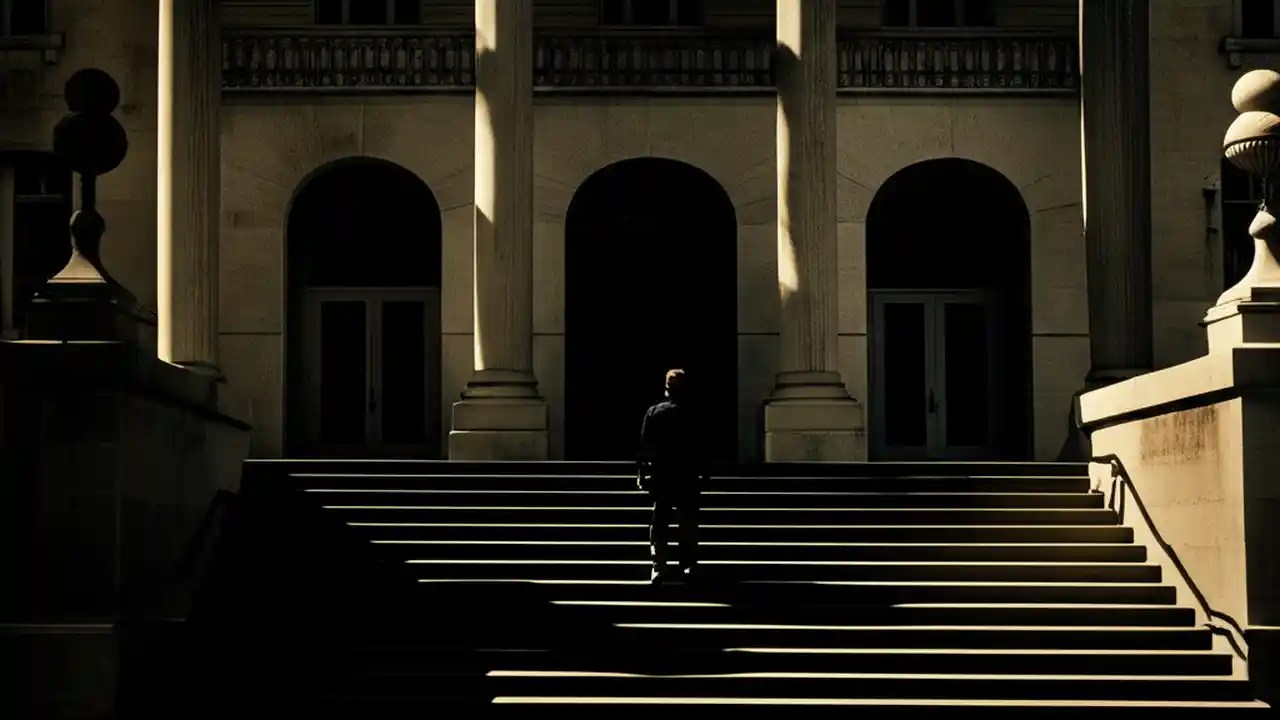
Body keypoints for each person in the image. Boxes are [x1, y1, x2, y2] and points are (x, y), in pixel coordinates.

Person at [637, 368, 707, 583]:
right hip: (687, 474)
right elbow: (702, 446)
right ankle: (689, 565)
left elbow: (644, 447)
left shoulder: (655, 412)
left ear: (666, 389)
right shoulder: (695, 413)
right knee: (688, 521)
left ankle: (659, 566)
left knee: (660, 522)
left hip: (663, 475)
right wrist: (706, 473)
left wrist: (643, 473)